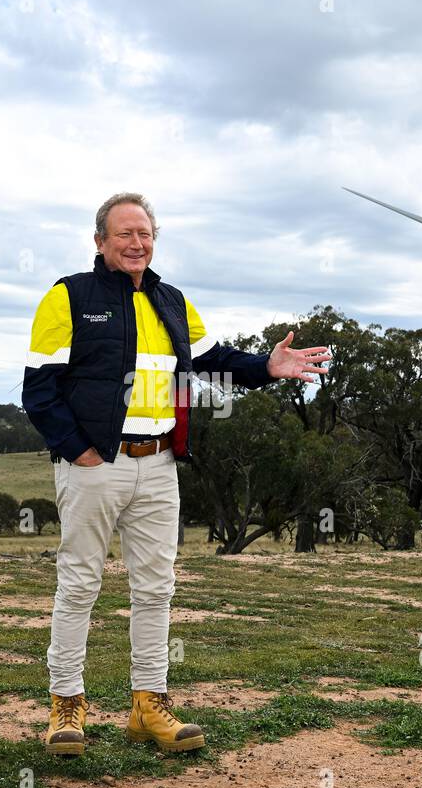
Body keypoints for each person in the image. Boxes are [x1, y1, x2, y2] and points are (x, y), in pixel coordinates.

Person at [21, 192, 330, 755]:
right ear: (100, 241)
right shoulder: (68, 297)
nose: (137, 243)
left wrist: (267, 366)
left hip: (161, 466)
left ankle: (149, 706)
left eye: (145, 234)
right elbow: (39, 390)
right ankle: (66, 708)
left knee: (156, 589)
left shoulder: (172, 301)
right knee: (80, 585)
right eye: (124, 234)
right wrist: (81, 453)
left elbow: (214, 357)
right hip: (96, 466)